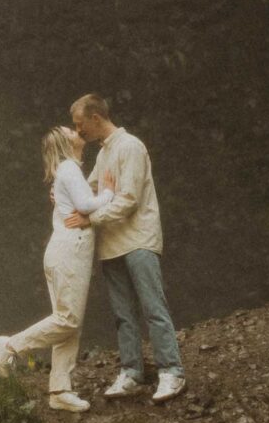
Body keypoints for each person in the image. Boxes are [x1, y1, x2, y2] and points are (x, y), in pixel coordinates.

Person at [65, 92, 185, 403]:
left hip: (138, 240)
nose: (79, 132)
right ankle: (132, 371)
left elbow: (129, 199)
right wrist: (65, 193)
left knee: (152, 307)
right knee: (123, 314)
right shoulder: (104, 153)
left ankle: (171, 370)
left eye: (80, 125)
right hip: (111, 245)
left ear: (96, 117)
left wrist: (90, 220)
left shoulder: (130, 147)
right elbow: (89, 190)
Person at [0, 124, 109, 413]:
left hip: (65, 250)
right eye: (69, 130)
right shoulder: (69, 168)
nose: (75, 130)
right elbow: (87, 204)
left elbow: (78, 201)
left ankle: (59, 389)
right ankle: (11, 346)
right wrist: (109, 193)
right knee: (68, 320)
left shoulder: (67, 172)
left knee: (69, 323)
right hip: (71, 250)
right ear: (63, 142)